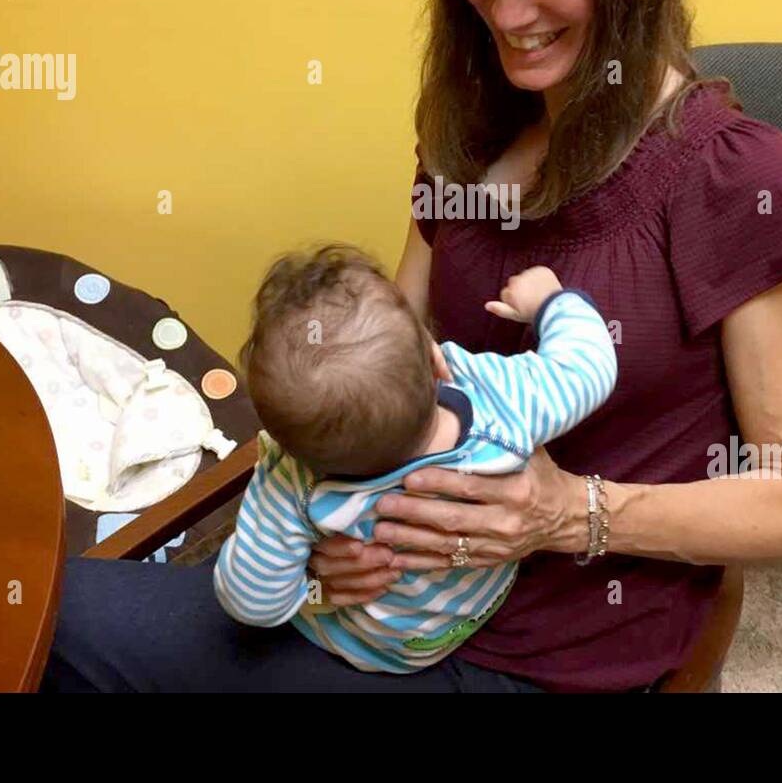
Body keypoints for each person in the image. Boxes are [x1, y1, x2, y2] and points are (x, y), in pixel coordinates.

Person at [41, 0, 782, 694]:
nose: (508, 11)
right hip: (388, 602)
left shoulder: (741, 180)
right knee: (38, 618)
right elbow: (404, 347)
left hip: (549, 654)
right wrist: (319, 553)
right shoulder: (470, 128)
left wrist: (569, 513)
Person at [214, 245, 616, 673]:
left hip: (372, 644)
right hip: (480, 601)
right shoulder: (500, 405)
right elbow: (589, 369)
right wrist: (553, 303)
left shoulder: (293, 481)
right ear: (433, 357)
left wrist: (310, 590)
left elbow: (251, 600)